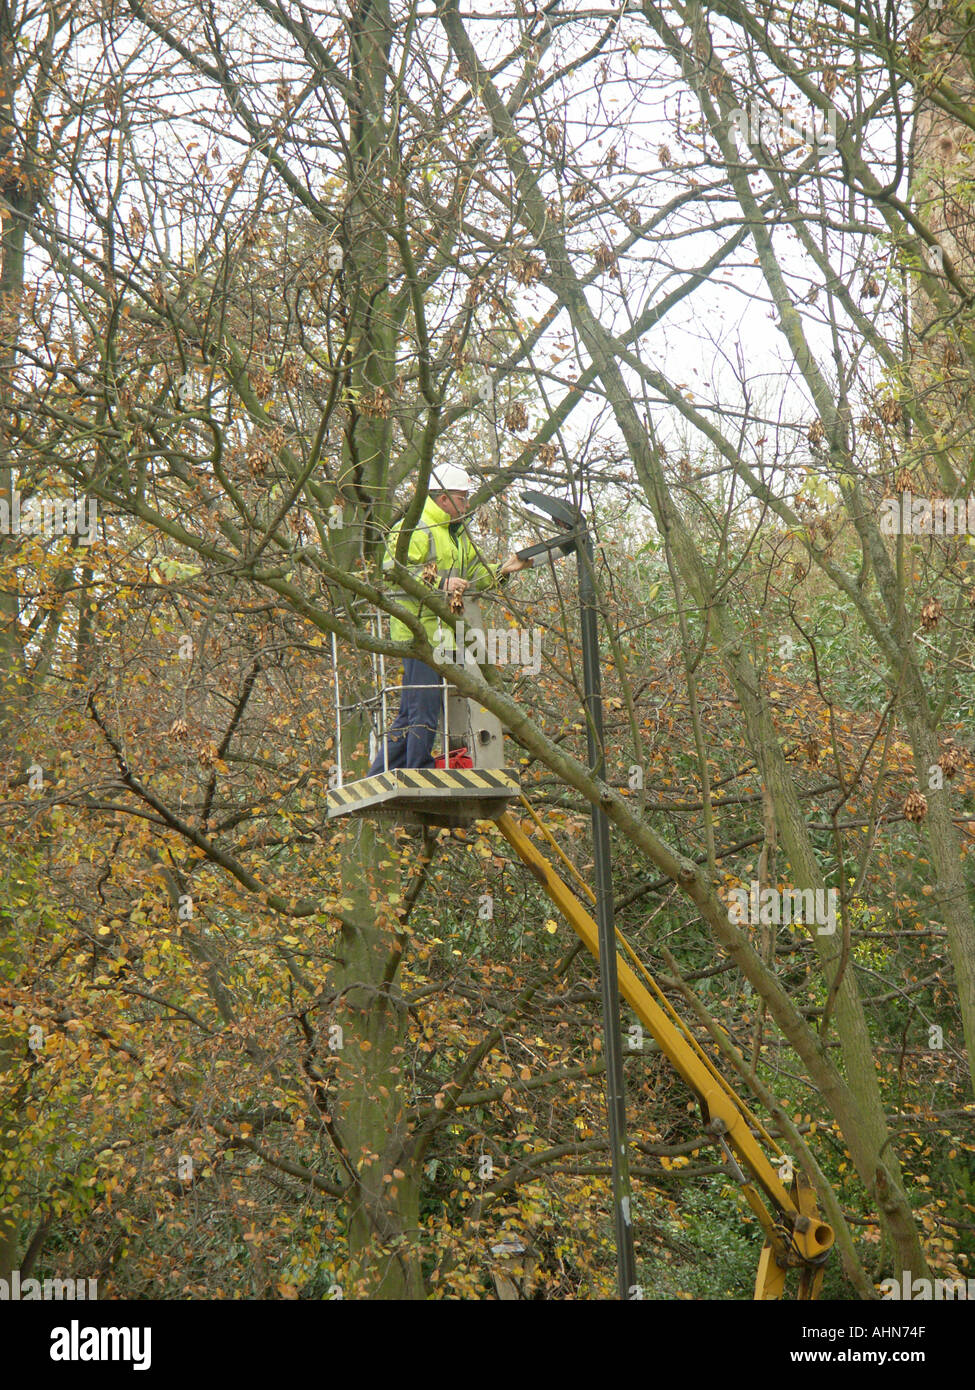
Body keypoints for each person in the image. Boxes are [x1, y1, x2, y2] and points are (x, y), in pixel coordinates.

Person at [367, 461, 526, 774]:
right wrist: (441, 584)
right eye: (463, 498)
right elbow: (391, 571)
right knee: (423, 710)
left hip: (442, 636)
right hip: (419, 635)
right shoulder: (415, 527)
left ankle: (380, 771)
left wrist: (503, 571)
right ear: (443, 500)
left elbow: (476, 579)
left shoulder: (457, 536)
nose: (467, 504)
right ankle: (418, 771)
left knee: (412, 711)